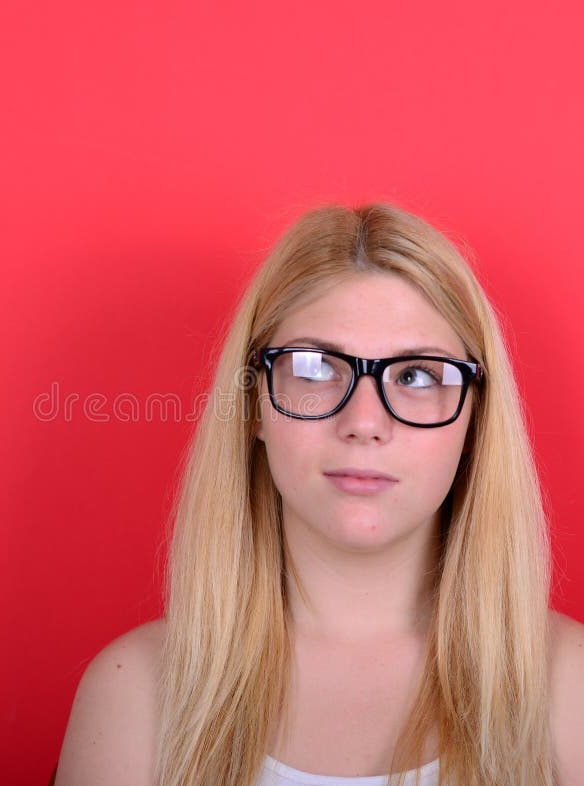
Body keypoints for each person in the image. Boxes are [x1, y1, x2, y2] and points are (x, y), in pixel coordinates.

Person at [54, 203, 584, 786]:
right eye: (313, 367)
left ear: (475, 421)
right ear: (254, 402)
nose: (363, 421)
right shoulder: (135, 693)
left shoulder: (570, 687)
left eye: (415, 376)